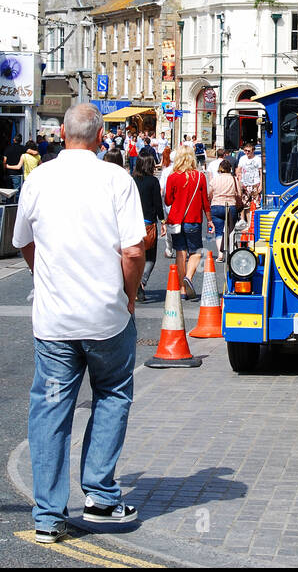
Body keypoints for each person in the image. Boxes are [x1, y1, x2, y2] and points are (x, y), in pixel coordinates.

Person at [12, 102, 145, 544]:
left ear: (62, 135)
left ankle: (48, 516)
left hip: (54, 321)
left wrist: (44, 276)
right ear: (101, 136)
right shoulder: (116, 179)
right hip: (106, 318)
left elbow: (24, 242)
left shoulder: (39, 178)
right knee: (111, 395)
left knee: (50, 410)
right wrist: (128, 298)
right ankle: (101, 495)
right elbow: (133, 251)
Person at [165, 145, 212, 300]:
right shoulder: (199, 177)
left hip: (176, 220)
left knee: (180, 252)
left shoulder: (172, 177)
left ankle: (182, 289)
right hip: (193, 219)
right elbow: (205, 201)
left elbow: (168, 200)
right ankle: (189, 277)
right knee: (196, 252)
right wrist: (210, 220)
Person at [134, 154, 164, 299]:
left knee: (134, 254)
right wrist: (162, 220)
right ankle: (142, 281)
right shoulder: (153, 181)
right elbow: (158, 203)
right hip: (149, 223)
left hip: (133, 222)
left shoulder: (132, 180)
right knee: (150, 257)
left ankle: (132, 283)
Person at [208, 157, 242, 261]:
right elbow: (239, 195)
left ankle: (220, 254)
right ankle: (231, 252)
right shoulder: (234, 179)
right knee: (230, 231)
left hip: (216, 206)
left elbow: (210, 194)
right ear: (230, 169)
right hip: (231, 206)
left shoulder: (215, 179)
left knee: (218, 231)